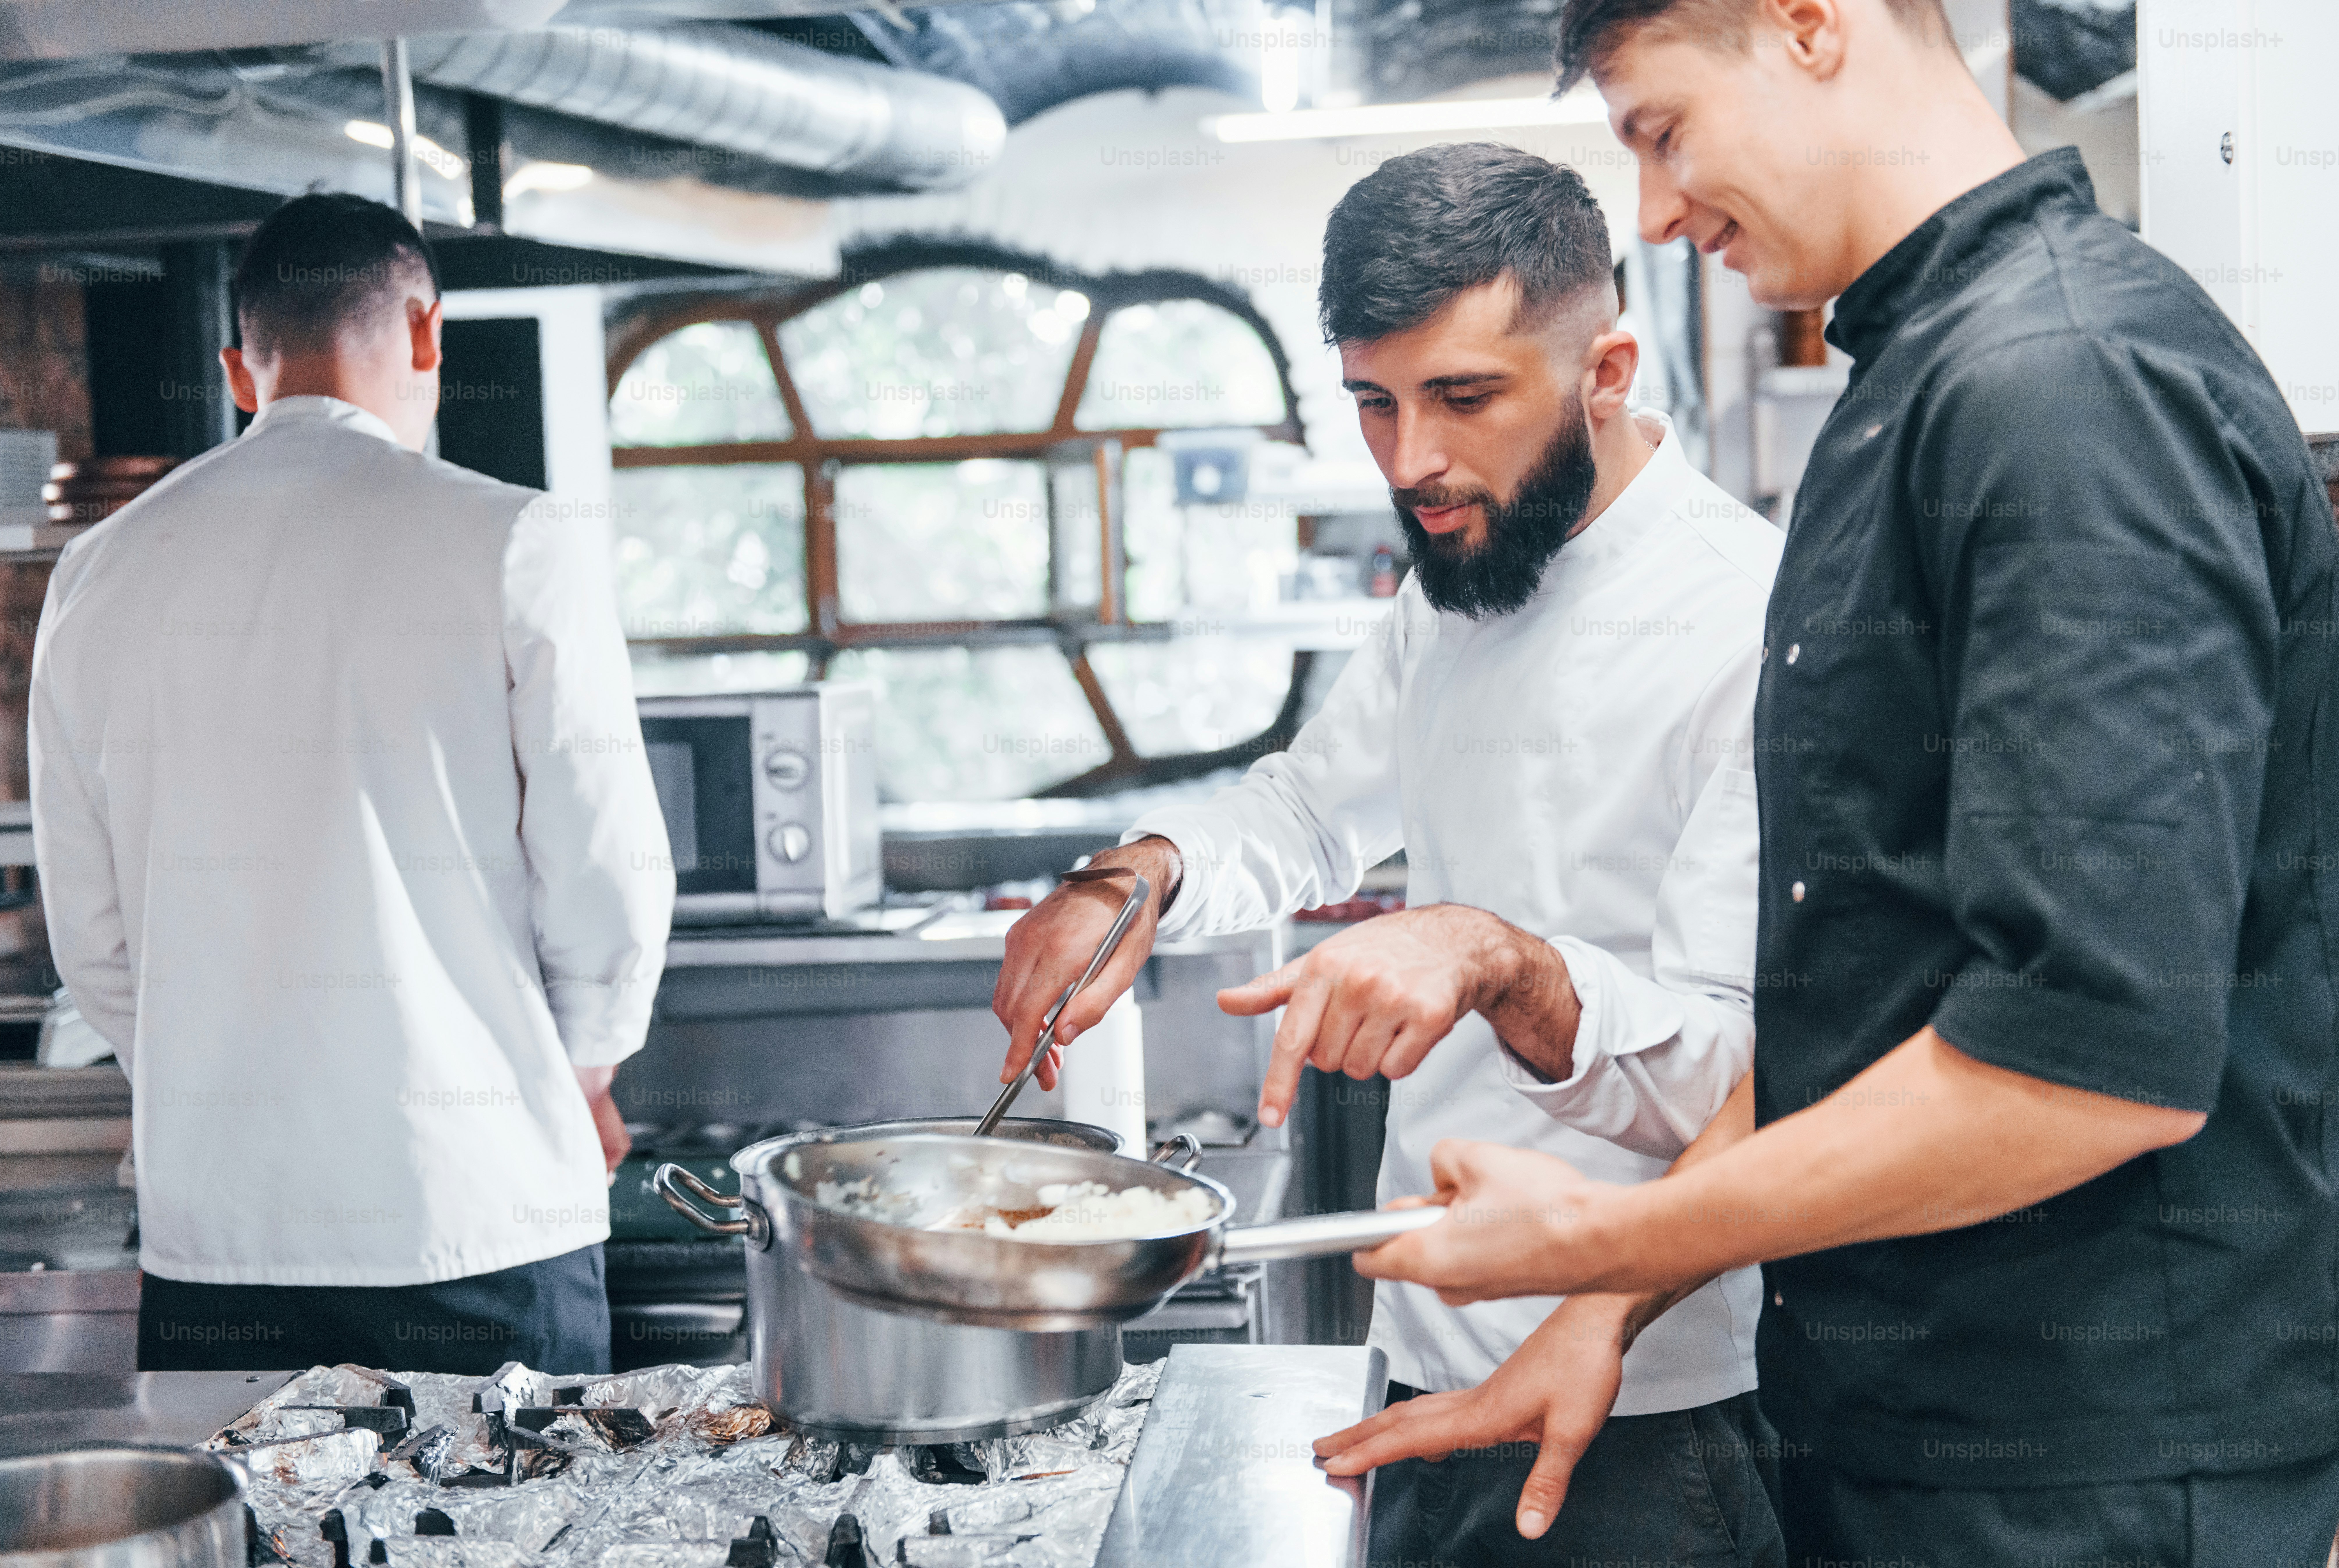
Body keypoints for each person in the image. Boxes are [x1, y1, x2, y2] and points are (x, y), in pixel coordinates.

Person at [1332, 1, 2339, 1564]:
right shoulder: (1916, 389)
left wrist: (1617, 1228)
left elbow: (2087, 1058)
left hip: (2085, 1477)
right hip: (1910, 1446)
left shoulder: (2065, 387)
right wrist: (1609, 1306)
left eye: (1663, 132)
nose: (1657, 213)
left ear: (1810, 27)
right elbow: (1878, 1003)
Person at [992, 144, 1786, 1564]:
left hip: (1644, 1411)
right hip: (1419, 1356)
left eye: (1463, 398)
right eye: (1374, 401)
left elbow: (1751, 1080)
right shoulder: (1469, 560)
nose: (1409, 459)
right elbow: (1309, 810)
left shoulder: (1747, 624)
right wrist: (1144, 871)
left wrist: (1494, 957)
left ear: (1607, 368)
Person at [29, 192, 674, 1375]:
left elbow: (95, 940)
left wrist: (219, 1067)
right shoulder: (515, 540)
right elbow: (609, 878)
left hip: (220, 1242)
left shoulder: (96, 571)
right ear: (429, 332)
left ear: (239, 370)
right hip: (475, 1221)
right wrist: (577, 1073)